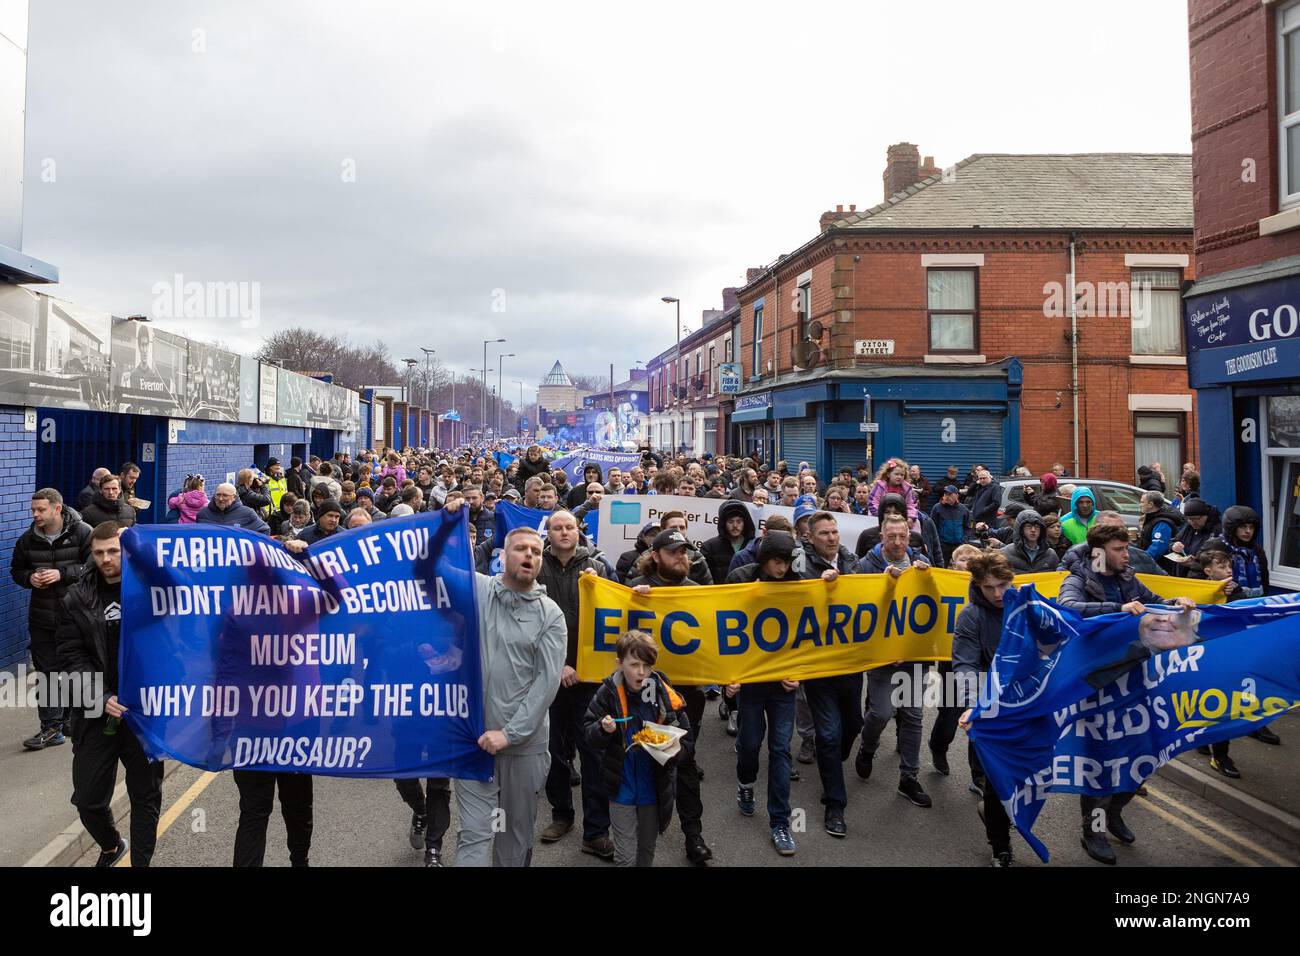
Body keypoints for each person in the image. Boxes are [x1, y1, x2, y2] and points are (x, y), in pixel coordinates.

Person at [1058, 522, 1195, 864]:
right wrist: (1116, 610)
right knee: (1102, 763)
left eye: (1126, 548)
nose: (1126, 554)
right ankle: (1094, 831)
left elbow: (1156, 603)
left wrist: (1178, 603)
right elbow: (1069, 608)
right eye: (1119, 549)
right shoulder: (1077, 577)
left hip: (1135, 679)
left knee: (1145, 752)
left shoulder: (1127, 577)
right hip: (1098, 685)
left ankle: (1116, 811)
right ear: (1099, 553)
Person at [57, 522, 164, 866]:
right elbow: (71, 657)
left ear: (126, 551)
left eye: (113, 551)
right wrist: (101, 697)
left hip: (143, 714)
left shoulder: (153, 589)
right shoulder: (76, 598)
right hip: (95, 713)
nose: (106, 559)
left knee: (145, 797)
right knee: (88, 800)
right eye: (99, 552)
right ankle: (111, 844)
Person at [628, 530, 714, 864]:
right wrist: (633, 598)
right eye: (675, 552)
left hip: (685, 694)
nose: (682, 557)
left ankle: (693, 835)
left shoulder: (696, 592)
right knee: (647, 759)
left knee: (684, 760)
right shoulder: (638, 585)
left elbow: (713, 640)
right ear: (657, 554)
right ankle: (642, 834)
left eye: (685, 552)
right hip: (645, 693)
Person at [535, 511, 614, 859]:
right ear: (548, 533)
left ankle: (596, 831)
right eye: (557, 527)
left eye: (569, 527)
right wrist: (560, 665)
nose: (564, 532)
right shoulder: (535, 567)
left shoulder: (598, 564)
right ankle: (561, 815)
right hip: (550, 676)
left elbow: (619, 607)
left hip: (591, 679)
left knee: (594, 753)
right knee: (552, 752)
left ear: (578, 531)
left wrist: (609, 584)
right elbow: (526, 620)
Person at [582, 631, 692, 867]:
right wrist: (603, 730)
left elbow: (686, 742)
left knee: (646, 851)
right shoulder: (608, 692)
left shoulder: (662, 692)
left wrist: (671, 749)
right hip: (621, 789)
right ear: (619, 664)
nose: (641, 672)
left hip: (653, 790)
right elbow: (588, 735)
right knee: (625, 857)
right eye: (634, 665)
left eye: (647, 665)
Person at [724, 534, 803, 857]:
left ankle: (780, 822)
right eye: (777, 561)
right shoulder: (742, 581)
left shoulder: (801, 586)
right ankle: (745, 785)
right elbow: (726, 629)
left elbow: (810, 634)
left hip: (783, 686)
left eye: (786, 561)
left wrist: (798, 672)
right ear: (765, 559)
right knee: (749, 744)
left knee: (781, 750)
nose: (782, 568)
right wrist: (730, 676)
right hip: (752, 683)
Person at [852, 515, 933, 809]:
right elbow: (858, 611)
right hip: (882, 655)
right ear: (881, 537)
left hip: (913, 655)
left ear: (909, 537)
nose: (898, 542)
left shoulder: (921, 563)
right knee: (881, 712)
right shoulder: (865, 567)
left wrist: (929, 578)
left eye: (903, 536)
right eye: (892, 536)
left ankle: (908, 778)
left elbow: (935, 605)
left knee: (913, 716)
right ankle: (868, 746)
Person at [12, 489, 92, 750]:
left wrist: (63, 574)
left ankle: (71, 720)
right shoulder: (28, 540)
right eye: (33, 510)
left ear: (57, 509)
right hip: (42, 618)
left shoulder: (82, 533)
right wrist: (29, 578)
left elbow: (94, 567)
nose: (35, 514)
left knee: (74, 670)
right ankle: (51, 728)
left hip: (77, 616)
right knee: (47, 674)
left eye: (40, 510)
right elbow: (17, 570)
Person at [954, 551, 1017, 865]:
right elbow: (964, 664)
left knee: (1027, 779)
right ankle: (1000, 844)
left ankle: (998, 816)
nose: (997, 594)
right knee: (997, 780)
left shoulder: (1025, 609)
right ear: (977, 585)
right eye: (989, 587)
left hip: (1027, 705)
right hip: (990, 707)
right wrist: (974, 706)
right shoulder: (970, 617)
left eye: (1003, 585)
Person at [701, 500, 757, 586]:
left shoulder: (754, 546)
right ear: (723, 524)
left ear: (745, 523)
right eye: (730, 522)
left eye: (739, 521)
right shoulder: (709, 547)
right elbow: (705, 579)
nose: (735, 526)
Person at [195, 483, 271, 533]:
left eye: (225, 495)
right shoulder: (203, 514)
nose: (221, 499)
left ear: (234, 497)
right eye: (218, 495)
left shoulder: (247, 513)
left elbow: (264, 530)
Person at [1001, 508, 1059, 573]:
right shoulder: (1006, 553)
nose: (1033, 530)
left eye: (1037, 526)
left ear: (1042, 530)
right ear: (1020, 529)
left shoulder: (1051, 555)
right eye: (1029, 526)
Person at [1137, 491, 1186, 561]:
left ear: (1150, 504)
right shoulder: (1152, 517)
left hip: (1157, 566)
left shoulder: (1162, 523)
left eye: (1142, 502)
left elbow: (1157, 548)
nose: (1140, 505)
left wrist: (1142, 561)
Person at [931, 485, 972, 566]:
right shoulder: (937, 508)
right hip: (943, 546)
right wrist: (938, 542)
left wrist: (964, 541)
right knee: (941, 568)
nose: (946, 497)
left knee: (960, 568)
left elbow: (967, 528)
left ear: (956, 495)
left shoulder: (964, 509)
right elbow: (932, 527)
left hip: (959, 546)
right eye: (945, 494)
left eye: (949, 494)